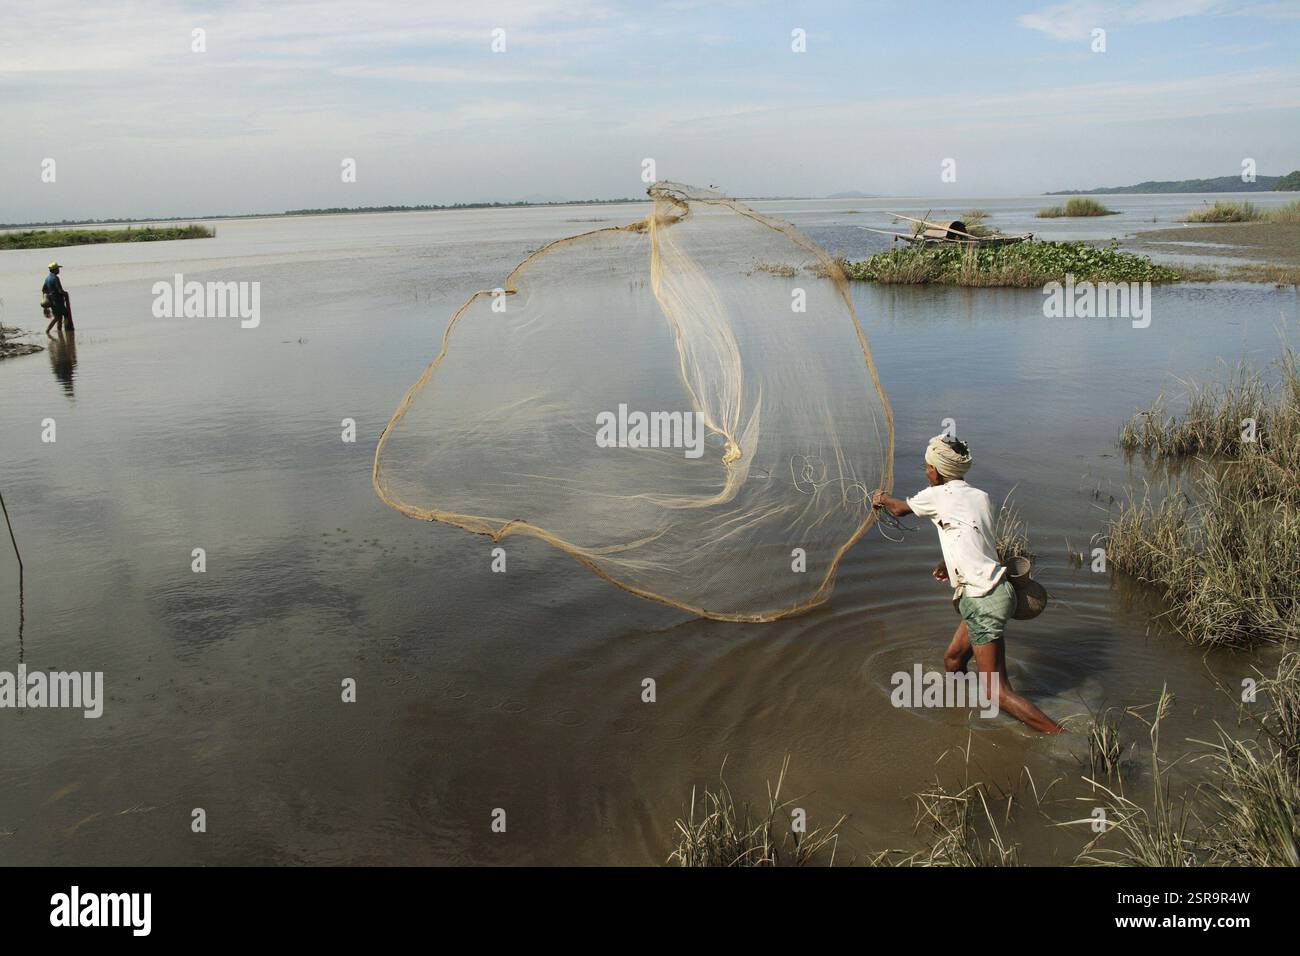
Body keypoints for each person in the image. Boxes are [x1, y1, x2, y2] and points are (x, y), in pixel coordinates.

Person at [872, 435, 1063, 734]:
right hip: (996, 590)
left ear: (936, 470)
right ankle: (964, 714)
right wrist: (949, 565)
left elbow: (897, 509)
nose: (926, 472)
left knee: (997, 693)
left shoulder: (938, 496)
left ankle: (1061, 735)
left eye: (927, 467)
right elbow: (973, 538)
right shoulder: (980, 496)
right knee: (952, 660)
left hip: (982, 598)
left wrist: (881, 498)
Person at [43, 262, 72, 334]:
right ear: (54, 269)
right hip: (58, 301)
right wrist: (65, 293)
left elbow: (44, 290)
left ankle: (59, 332)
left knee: (58, 317)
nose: (59, 270)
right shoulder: (55, 278)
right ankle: (67, 331)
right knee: (65, 314)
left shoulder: (47, 278)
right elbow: (60, 290)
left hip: (52, 301)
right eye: (58, 269)